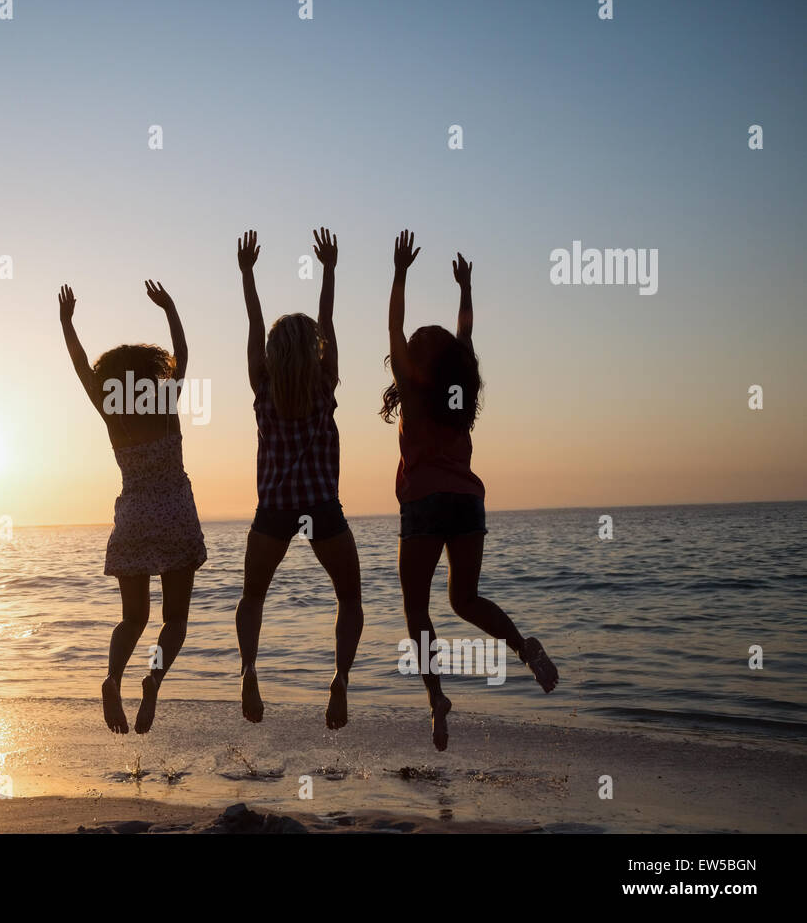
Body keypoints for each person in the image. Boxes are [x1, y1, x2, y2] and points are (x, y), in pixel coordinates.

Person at [382, 230, 558, 751]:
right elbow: (465, 337)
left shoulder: (412, 392)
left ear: (415, 360)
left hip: (423, 501)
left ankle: (436, 699)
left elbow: (393, 324)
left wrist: (400, 272)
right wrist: (465, 288)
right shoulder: (460, 396)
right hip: (467, 501)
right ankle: (523, 648)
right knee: (466, 598)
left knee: (417, 609)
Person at [58, 281, 207, 734]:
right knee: (175, 619)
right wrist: (171, 306)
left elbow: (82, 366)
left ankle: (112, 679)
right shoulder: (165, 403)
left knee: (133, 618)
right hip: (176, 516)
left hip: (134, 520)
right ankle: (154, 680)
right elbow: (183, 350)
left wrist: (67, 323)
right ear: (151, 373)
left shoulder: (111, 410)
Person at [234, 228, 363, 730]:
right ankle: (340, 680)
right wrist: (329, 269)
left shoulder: (261, 384)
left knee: (253, 597)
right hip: (322, 507)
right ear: (315, 350)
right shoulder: (323, 382)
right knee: (348, 598)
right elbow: (327, 321)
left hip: (273, 509)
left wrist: (247, 273)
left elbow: (253, 320)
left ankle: (249, 669)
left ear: (271, 353)